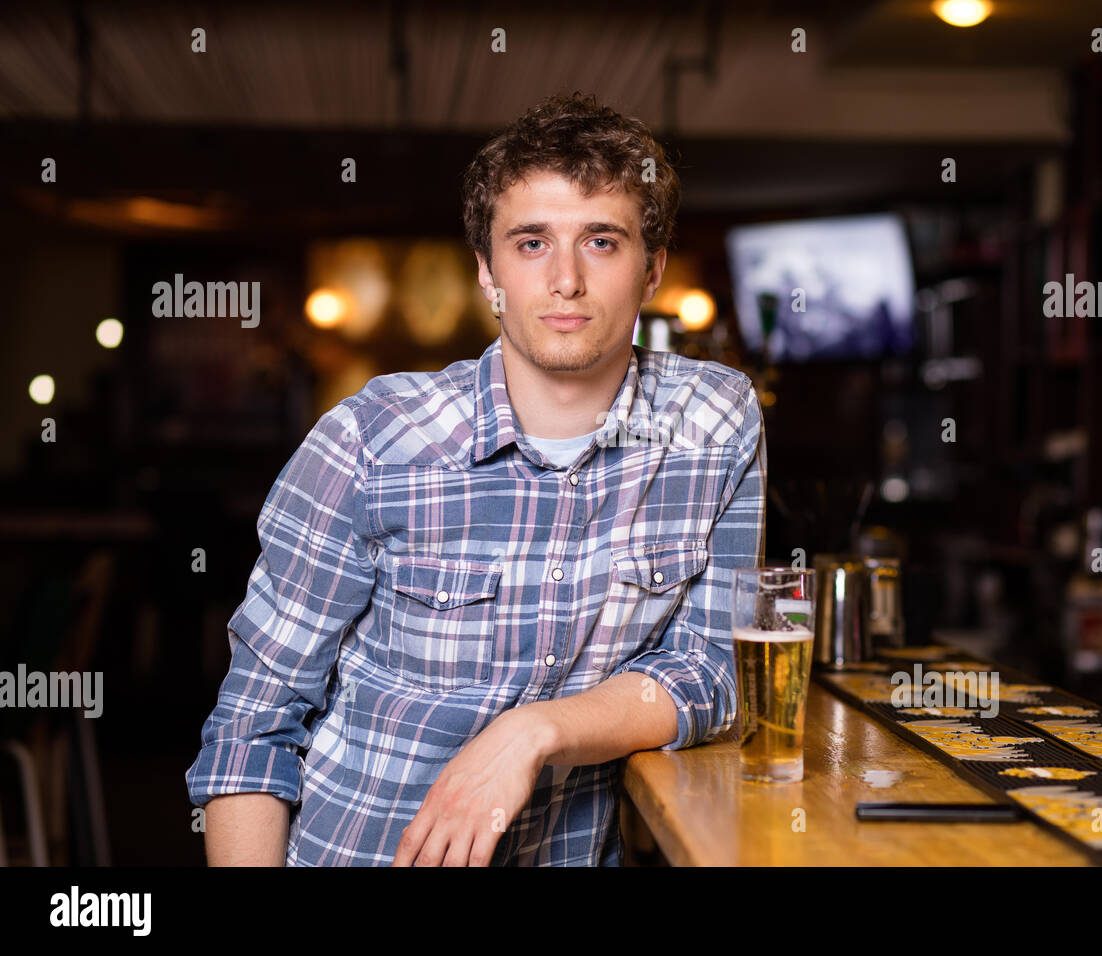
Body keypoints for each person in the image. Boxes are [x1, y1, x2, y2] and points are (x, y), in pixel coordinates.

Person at [185, 91, 767, 866]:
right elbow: (254, 723)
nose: (565, 280)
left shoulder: (716, 422)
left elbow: (716, 670)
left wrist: (537, 730)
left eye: (601, 241)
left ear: (652, 268)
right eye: (531, 244)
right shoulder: (370, 440)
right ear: (488, 273)